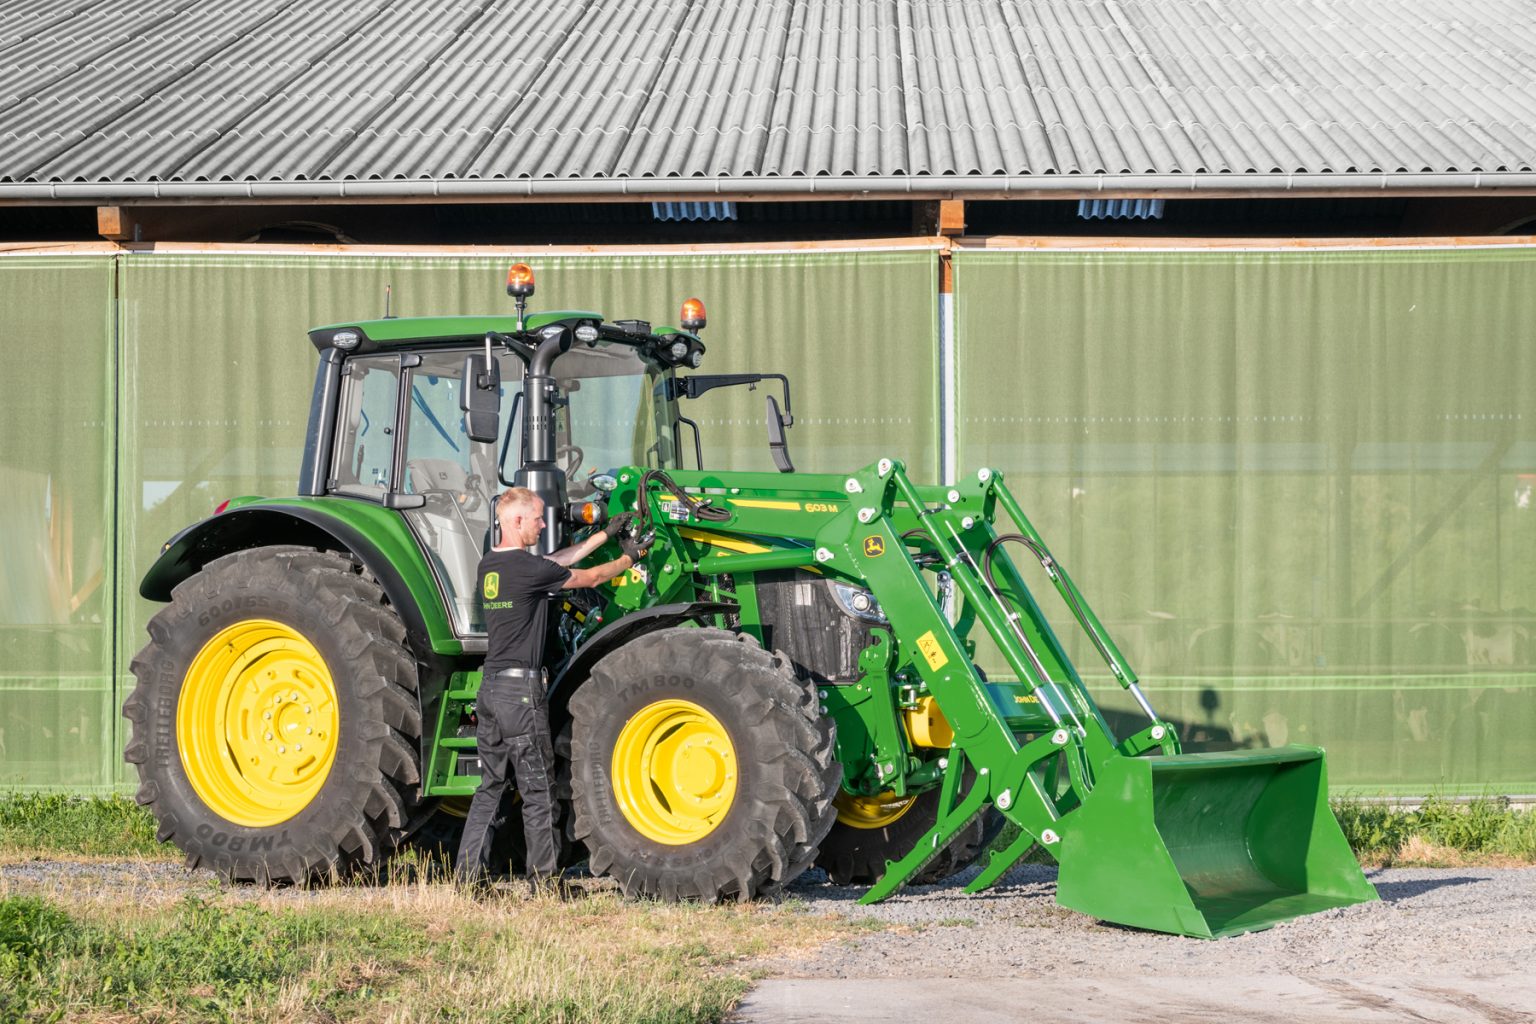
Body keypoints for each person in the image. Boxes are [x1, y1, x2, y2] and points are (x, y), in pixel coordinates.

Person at [455, 486, 649, 895]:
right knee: (538, 788)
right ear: (516, 521)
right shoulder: (528, 571)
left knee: (491, 786)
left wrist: (603, 535)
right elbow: (590, 576)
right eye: (538, 518)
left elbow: (552, 563)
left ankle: (467, 880)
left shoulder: (492, 566)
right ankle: (544, 883)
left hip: (490, 691)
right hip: (520, 696)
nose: (544, 524)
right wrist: (630, 557)